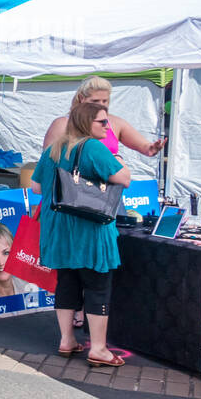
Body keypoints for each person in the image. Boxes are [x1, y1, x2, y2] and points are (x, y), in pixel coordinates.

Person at [31, 100, 132, 366]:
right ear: (87, 123)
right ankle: (98, 348)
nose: (108, 126)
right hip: (89, 230)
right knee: (97, 287)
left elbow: (37, 187)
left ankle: (67, 340)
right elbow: (125, 179)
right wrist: (118, 160)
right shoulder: (93, 148)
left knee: (67, 282)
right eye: (102, 121)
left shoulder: (55, 148)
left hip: (58, 229)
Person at [42, 76, 166, 159]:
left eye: (105, 101)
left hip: (105, 193)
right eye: (95, 101)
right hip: (71, 192)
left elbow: (146, 149)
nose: (101, 105)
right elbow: (47, 162)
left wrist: (153, 148)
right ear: (81, 99)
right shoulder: (63, 124)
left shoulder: (115, 123)